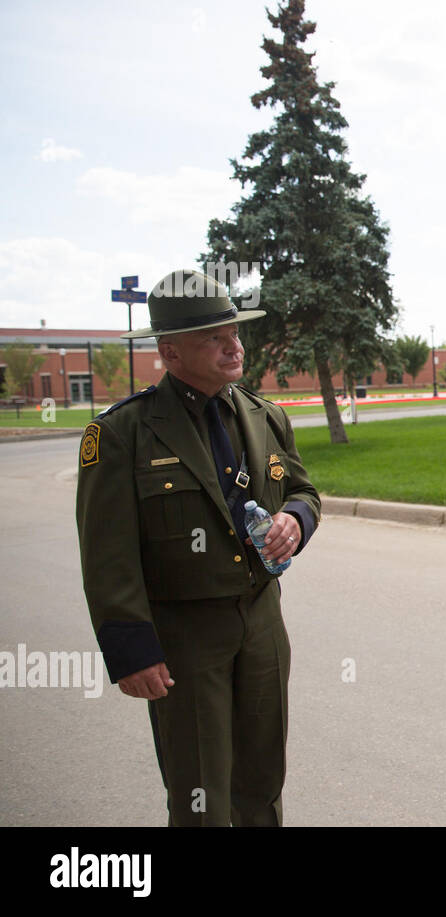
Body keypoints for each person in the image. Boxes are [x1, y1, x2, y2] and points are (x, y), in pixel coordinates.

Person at [75, 269, 320, 826]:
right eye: (214, 336)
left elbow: (303, 490)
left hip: (261, 623)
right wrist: (132, 651)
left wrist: (295, 522)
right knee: (200, 795)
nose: (233, 345)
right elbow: (107, 554)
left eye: (234, 331)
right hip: (184, 637)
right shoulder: (122, 433)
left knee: (261, 784)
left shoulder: (264, 416)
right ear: (170, 351)